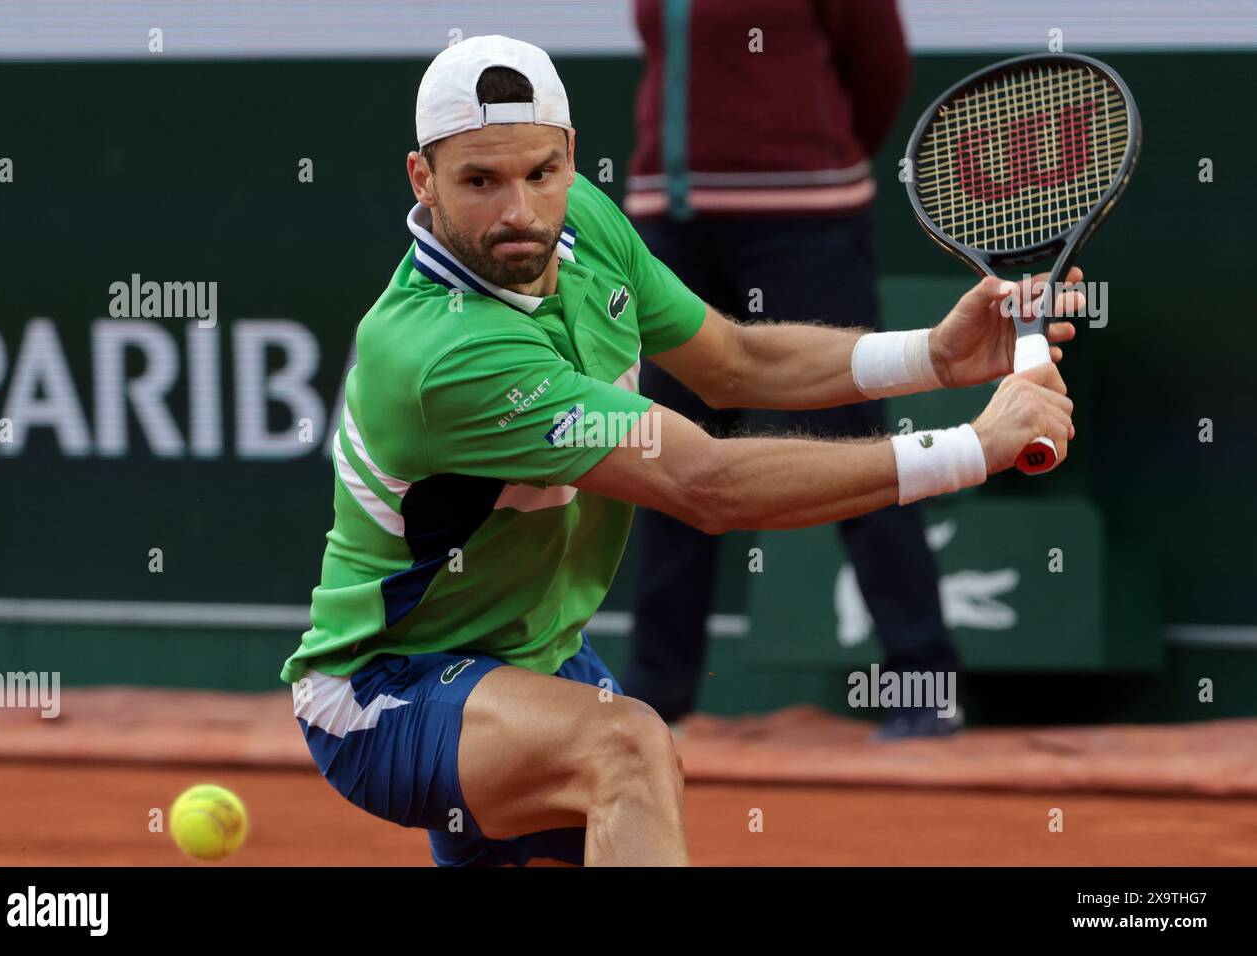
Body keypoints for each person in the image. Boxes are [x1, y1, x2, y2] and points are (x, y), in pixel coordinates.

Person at [280, 35, 1081, 867]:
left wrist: (935, 359)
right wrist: (975, 446)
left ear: (570, 160)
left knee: (639, 772)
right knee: (624, 750)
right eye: (480, 181)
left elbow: (735, 362)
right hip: (388, 687)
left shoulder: (581, 226)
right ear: (424, 178)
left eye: (540, 174)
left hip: (538, 663)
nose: (518, 211)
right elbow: (708, 485)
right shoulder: (443, 356)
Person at [623, 0, 959, 737]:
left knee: (850, 440)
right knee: (667, 449)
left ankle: (922, 681)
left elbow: (880, 68)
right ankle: (656, 696)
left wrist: (813, 157)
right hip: (668, 227)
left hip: (803, 219)